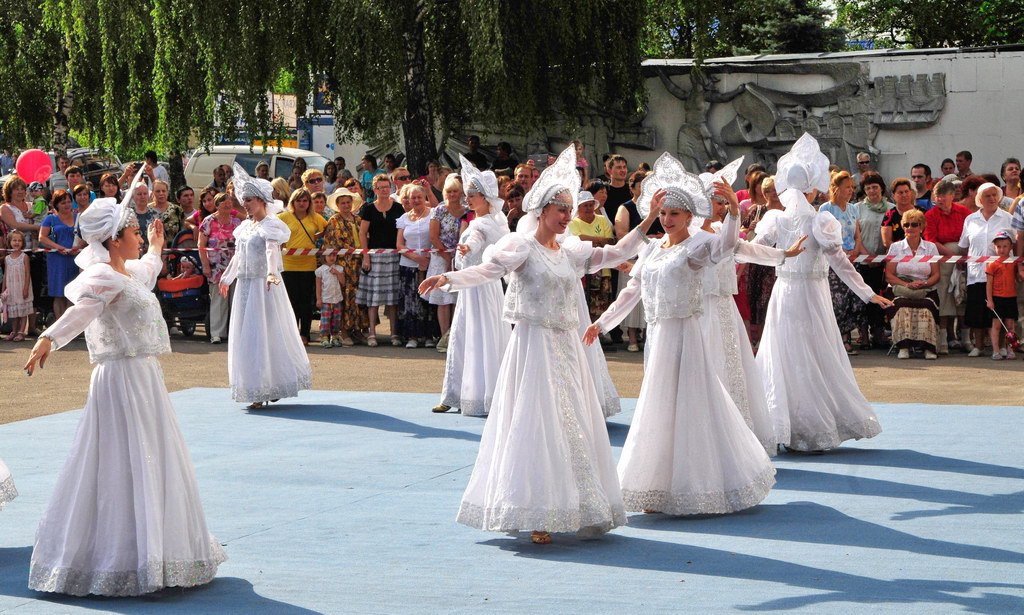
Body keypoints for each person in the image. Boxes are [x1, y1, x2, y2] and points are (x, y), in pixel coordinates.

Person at [418, 145, 658, 544]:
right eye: (560, 209)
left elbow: (615, 252)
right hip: (532, 348)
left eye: (569, 209)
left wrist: (648, 217)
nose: (566, 216)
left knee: (573, 423)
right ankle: (535, 511)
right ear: (542, 211)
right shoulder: (522, 247)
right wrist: (448, 279)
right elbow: (487, 270)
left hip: (567, 349)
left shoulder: (572, 251)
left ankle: (578, 504)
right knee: (534, 423)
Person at [23, 199, 225, 596]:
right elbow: (81, 311)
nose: (138, 236)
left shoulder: (125, 271)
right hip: (120, 379)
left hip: (144, 376)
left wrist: (154, 245)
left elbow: (147, 271)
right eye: (133, 231)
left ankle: (157, 551)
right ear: (114, 241)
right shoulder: (102, 277)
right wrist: (49, 338)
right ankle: (119, 557)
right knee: (119, 460)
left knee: (152, 455)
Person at [583, 153, 788, 515]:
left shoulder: (697, 247)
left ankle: (704, 483)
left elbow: (727, 248)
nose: (667, 219)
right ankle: (655, 485)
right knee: (658, 406)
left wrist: (733, 213)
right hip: (659, 338)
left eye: (674, 214)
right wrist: (603, 322)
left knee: (694, 403)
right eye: (663, 213)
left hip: (687, 335)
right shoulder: (652, 250)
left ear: (690, 216)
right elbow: (632, 291)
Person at [752, 133, 892, 452]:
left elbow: (753, 251)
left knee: (784, 356)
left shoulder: (775, 217)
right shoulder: (820, 219)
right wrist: (868, 293)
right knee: (812, 355)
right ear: (812, 185)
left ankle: (784, 426)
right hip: (810, 296)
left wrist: (732, 251)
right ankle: (808, 430)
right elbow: (841, 262)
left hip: (785, 293)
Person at [218, 164, 312, 409]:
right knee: (245, 335)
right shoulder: (245, 227)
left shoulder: (270, 225)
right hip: (246, 286)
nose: (245, 204)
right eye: (244, 200)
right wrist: (227, 277)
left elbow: (272, 250)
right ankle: (255, 386)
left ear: (261, 200)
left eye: (249, 200)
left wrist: (271, 273)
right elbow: (238, 256)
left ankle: (268, 385)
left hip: (264, 286)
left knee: (264, 334)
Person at [433, 156, 511, 415]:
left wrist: (469, 247)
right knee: (467, 336)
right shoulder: (487, 221)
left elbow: (477, 241)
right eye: (468, 194)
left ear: (486, 198)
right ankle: (457, 393)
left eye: (473, 195)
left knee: (478, 336)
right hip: (473, 287)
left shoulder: (485, 223)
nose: (468, 199)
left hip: (481, 288)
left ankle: (481, 394)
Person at [958, 183, 1015, 357]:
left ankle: (1004, 346)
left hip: (1001, 274)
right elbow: (963, 246)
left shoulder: (1007, 218)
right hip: (976, 272)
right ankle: (979, 345)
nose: (991, 199)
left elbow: (1016, 242)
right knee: (977, 309)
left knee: (1001, 312)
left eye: (994, 195)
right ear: (980, 199)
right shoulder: (970, 219)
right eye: (987, 196)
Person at [884, 209, 941, 360]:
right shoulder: (895, 247)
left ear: (921, 227)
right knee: (901, 305)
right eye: (906, 224)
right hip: (900, 287)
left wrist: (924, 283)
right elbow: (889, 275)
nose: (910, 228)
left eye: (914, 224)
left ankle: (928, 347)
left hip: (925, 287)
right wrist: (907, 285)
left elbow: (936, 274)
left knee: (927, 306)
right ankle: (903, 346)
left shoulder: (930, 247)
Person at [924, 175, 971, 353]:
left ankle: (966, 339)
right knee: (943, 298)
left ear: (953, 195)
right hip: (942, 261)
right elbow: (931, 240)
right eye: (938, 196)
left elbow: (969, 237)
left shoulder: (964, 212)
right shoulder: (930, 214)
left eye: (944, 195)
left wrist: (963, 257)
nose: (940, 199)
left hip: (963, 259)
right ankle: (943, 339)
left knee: (962, 298)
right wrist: (952, 255)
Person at [820, 171, 864, 354]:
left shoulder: (854, 208)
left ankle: (848, 335)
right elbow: (823, 236)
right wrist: (840, 252)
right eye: (847, 187)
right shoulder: (826, 209)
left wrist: (856, 250)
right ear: (836, 189)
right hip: (833, 261)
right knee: (837, 300)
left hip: (852, 259)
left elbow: (857, 234)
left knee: (854, 299)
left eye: (852, 188)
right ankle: (841, 339)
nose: (851, 191)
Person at [357, 175, 404, 347]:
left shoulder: (399, 208)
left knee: (393, 298)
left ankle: (394, 333)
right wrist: (366, 256)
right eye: (381, 187)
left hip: (393, 256)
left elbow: (402, 230)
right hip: (375, 256)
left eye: (387, 186)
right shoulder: (368, 209)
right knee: (373, 298)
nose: (384, 190)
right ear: (375, 189)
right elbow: (362, 233)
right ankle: (372, 333)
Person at [278, 188, 327, 344]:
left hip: (308, 265)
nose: (302, 203)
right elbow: (273, 232)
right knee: (291, 302)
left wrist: (320, 242)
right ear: (293, 202)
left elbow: (328, 229)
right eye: (298, 200)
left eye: (305, 200)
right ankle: (291, 335)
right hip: (288, 265)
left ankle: (304, 334)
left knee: (306, 302)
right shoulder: (283, 217)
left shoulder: (316, 218)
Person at [425, 175, 466, 352]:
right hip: (441, 258)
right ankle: (444, 336)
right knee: (443, 300)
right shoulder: (439, 210)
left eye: (455, 191)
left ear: (461, 192)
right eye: (449, 191)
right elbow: (433, 236)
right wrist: (447, 256)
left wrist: (456, 257)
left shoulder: (466, 211)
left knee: (457, 299)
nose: (452, 194)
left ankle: (456, 336)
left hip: (460, 258)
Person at [322, 187, 368, 346]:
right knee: (344, 296)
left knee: (359, 296)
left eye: (348, 202)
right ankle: (344, 330)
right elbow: (331, 243)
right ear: (338, 204)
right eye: (343, 203)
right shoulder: (334, 220)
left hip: (358, 263)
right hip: (343, 264)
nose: (346, 205)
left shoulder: (358, 219)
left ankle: (358, 329)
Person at [744, 175, 785, 347]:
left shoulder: (787, 210)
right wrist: (750, 228)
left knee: (773, 300)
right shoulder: (757, 210)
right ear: (764, 193)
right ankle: (759, 339)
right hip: (759, 262)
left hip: (779, 261)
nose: (774, 193)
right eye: (769, 190)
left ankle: (776, 339)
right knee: (758, 301)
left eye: (776, 189)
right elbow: (743, 233)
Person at [854, 171, 893, 350]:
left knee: (881, 297)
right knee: (865, 297)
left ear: (882, 189)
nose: (872, 191)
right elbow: (856, 236)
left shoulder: (891, 208)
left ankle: (879, 331)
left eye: (875, 187)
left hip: (886, 262)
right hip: (864, 261)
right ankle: (863, 333)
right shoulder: (857, 209)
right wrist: (867, 255)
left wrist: (883, 257)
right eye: (868, 188)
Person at [198, 193, 242, 344]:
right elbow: (201, 245)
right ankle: (216, 333)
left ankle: (234, 333)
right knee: (218, 300)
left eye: (230, 203)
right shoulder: (208, 221)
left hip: (234, 266)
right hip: (216, 266)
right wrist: (205, 266)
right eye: (224, 203)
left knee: (235, 299)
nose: (228, 205)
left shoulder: (237, 222)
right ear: (217, 205)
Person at [395, 185, 434, 348]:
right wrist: (417, 258)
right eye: (413, 198)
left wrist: (426, 259)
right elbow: (399, 244)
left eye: (419, 197)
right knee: (410, 301)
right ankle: (412, 336)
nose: (416, 200)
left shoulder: (433, 214)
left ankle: (429, 336)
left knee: (428, 300)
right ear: (408, 200)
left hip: (430, 264)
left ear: (424, 197)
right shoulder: (403, 218)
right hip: (408, 265)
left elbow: (435, 238)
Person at [570, 191, 615, 322]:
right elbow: (578, 240)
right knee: (585, 302)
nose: (589, 208)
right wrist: (600, 240)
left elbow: (611, 241)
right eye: (585, 205)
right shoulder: (573, 222)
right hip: (584, 269)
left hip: (603, 267)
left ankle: (598, 334)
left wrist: (590, 241)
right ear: (578, 208)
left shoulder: (601, 219)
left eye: (591, 205)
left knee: (602, 302)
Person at [38, 190, 81, 320]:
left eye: (69, 202)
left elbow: (86, 236)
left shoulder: (78, 217)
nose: (67, 205)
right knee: (59, 293)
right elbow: (42, 237)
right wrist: (58, 247)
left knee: (72, 293)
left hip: (75, 259)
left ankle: (70, 324)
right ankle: (59, 323)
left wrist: (78, 247)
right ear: (56, 204)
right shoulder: (50, 219)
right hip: (57, 260)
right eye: (63, 203)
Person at [986, 230, 1020, 359]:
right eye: (998, 246)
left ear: (1011, 247)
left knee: (1010, 325)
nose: (1002, 249)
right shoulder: (992, 264)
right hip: (997, 297)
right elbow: (989, 283)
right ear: (994, 247)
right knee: (996, 325)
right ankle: (996, 350)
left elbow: (1017, 277)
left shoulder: (1014, 262)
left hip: (1011, 297)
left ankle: (1010, 349)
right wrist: (990, 300)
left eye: (1005, 246)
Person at [2, 230, 32, 341]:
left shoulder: (24, 257)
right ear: (9, 242)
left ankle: (21, 331)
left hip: (22, 287)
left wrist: (25, 288)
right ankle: (14, 331)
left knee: (23, 310)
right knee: (14, 311)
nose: (17, 242)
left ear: (23, 243)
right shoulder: (7, 258)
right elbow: (5, 275)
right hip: (11, 288)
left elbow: (27, 273)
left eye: (19, 240)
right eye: (14, 240)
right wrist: (3, 289)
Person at [881, 178, 923, 250]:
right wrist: (905, 252)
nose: (904, 195)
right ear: (893, 196)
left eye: (906, 191)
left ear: (911, 193)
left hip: (922, 253)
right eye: (900, 192)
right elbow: (886, 242)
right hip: (898, 255)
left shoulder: (922, 212)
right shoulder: (889, 216)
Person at [315, 251, 346, 347]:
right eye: (329, 255)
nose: (332, 257)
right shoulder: (320, 270)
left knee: (336, 319)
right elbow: (318, 286)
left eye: (334, 255)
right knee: (325, 319)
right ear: (324, 256)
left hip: (336, 299)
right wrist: (318, 299)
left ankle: (335, 337)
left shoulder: (339, 269)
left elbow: (343, 282)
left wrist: (337, 273)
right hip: (326, 300)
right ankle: (324, 337)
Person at [150, 180, 184, 246]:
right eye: (158, 191)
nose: (161, 193)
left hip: (173, 251)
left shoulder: (177, 210)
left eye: (163, 191)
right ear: (153, 193)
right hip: (152, 249)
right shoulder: (147, 209)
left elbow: (182, 232)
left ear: (167, 192)